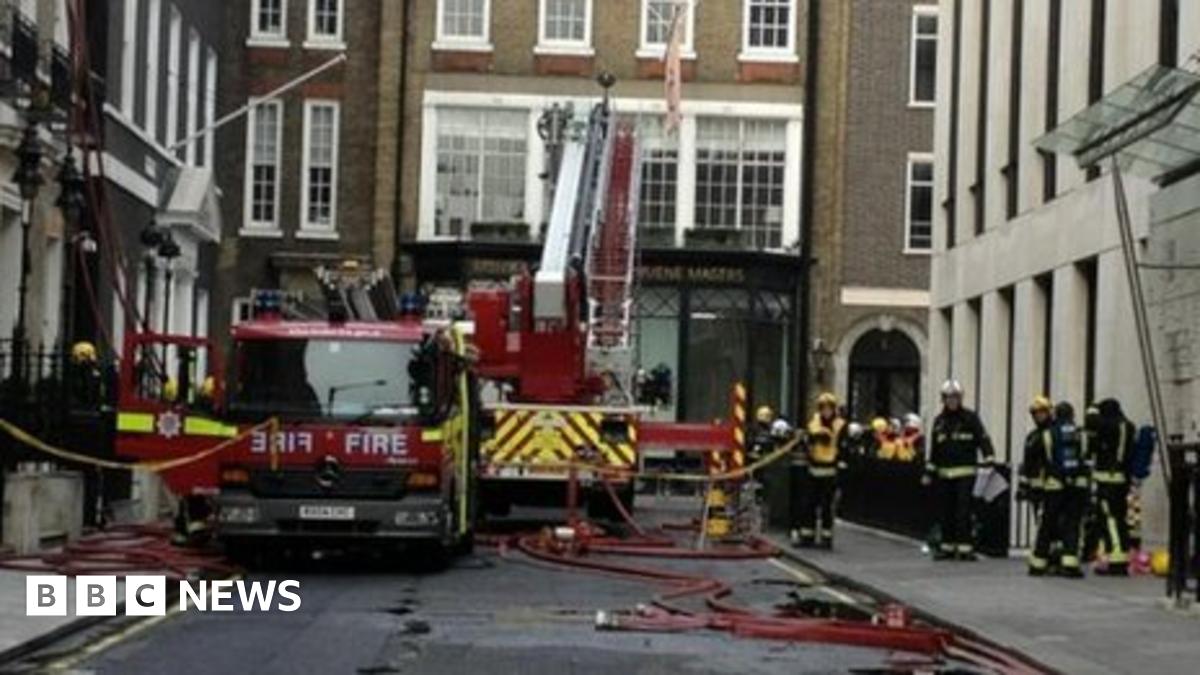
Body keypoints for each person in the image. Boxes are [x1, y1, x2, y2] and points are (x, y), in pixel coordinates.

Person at [926, 380, 993, 561]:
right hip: (944, 473)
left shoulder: (970, 418)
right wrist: (929, 471)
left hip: (965, 473)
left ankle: (965, 548)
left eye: (955, 397)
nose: (952, 401)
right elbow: (934, 450)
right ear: (943, 400)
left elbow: (982, 438)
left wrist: (989, 457)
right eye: (949, 398)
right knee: (946, 511)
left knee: (963, 511)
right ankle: (947, 547)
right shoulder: (939, 422)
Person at [1027, 401, 1090, 578]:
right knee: (1072, 524)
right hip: (1076, 486)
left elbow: (1040, 459)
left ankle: (1038, 563)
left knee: (1047, 525)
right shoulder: (1081, 434)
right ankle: (1069, 563)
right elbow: (1085, 458)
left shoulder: (1047, 434)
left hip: (1054, 485)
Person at [1090, 398, 1137, 576]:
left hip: (1107, 480)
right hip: (1122, 480)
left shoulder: (1106, 426)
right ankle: (1120, 557)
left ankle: (1116, 559)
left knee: (1110, 519)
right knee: (1120, 518)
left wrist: (1093, 411)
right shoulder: (1128, 426)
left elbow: (1092, 428)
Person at [794, 392, 846, 548]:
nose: (826, 411)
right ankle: (807, 536)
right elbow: (807, 443)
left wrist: (841, 467)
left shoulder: (840, 425)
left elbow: (843, 448)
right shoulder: (812, 424)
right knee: (809, 504)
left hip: (830, 471)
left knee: (826, 506)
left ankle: (826, 538)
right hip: (813, 469)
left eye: (829, 408)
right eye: (823, 408)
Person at [1019, 396, 1056, 571]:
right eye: (1036, 414)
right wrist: (1023, 485)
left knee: (1049, 523)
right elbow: (1027, 464)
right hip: (1036, 487)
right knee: (1040, 522)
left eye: (1042, 413)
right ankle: (1044, 554)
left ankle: (1048, 555)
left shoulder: (1053, 434)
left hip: (1050, 487)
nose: (1039, 416)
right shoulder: (1032, 437)